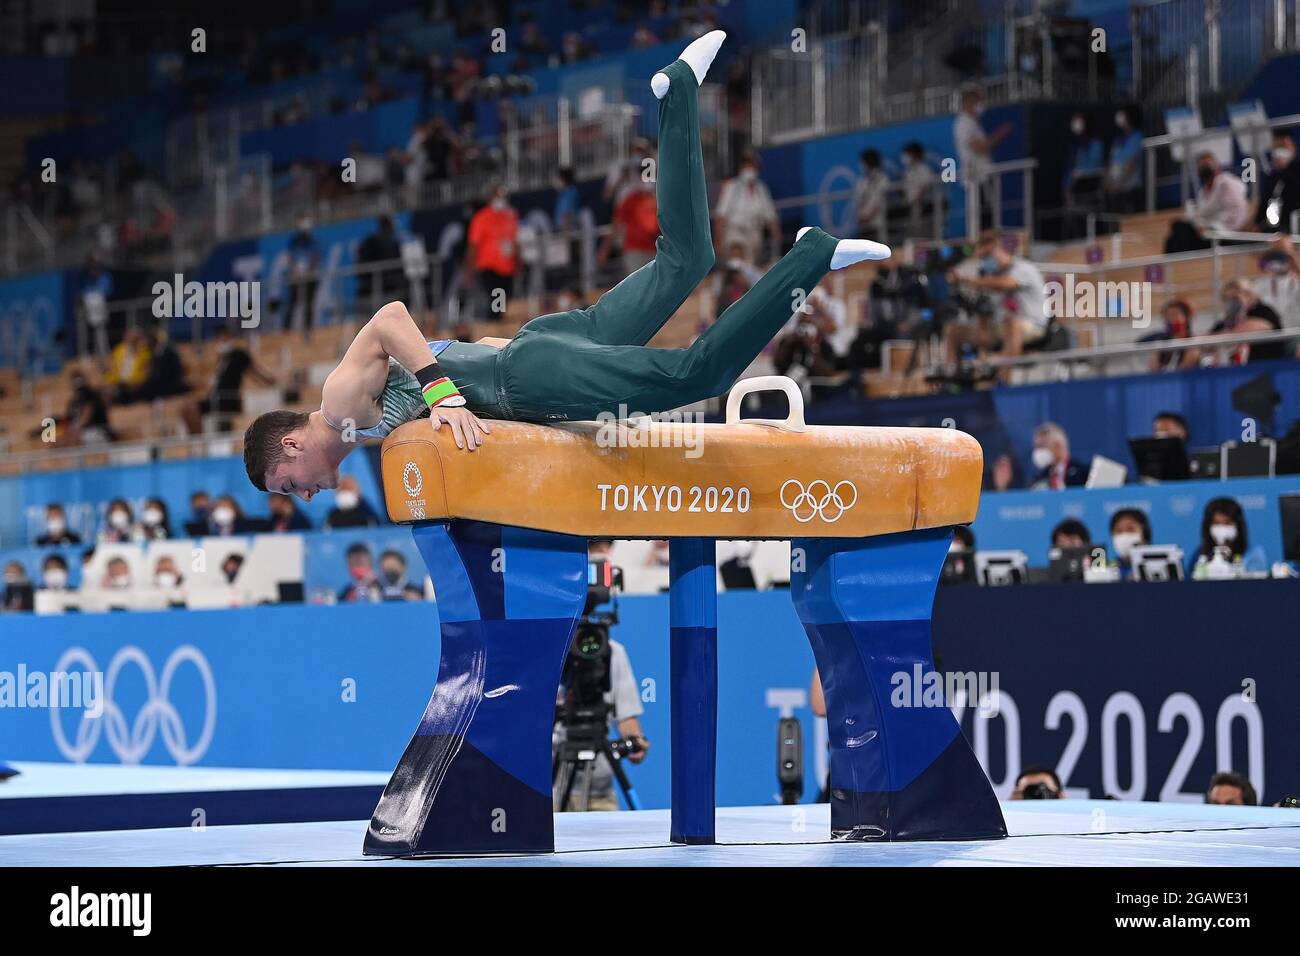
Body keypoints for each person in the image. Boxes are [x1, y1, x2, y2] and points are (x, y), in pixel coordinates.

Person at [241, 33, 889, 500]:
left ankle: (812, 253)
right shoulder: (368, 431)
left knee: (704, 371)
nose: (299, 496)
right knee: (686, 259)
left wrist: (443, 396)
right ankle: (678, 92)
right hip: (537, 349)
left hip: (533, 376)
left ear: (291, 448)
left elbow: (388, 318)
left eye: (285, 485)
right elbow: (461, 353)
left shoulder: (337, 406)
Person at [945, 230, 1048, 370]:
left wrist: (965, 279)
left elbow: (1003, 284)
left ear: (1001, 251)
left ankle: (1004, 381)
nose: (985, 261)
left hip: (1032, 326)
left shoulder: (1024, 268)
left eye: (988, 255)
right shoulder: (988, 275)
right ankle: (955, 378)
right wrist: (956, 282)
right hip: (998, 328)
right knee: (954, 331)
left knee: (1012, 323)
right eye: (983, 257)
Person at [182, 325, 276, 434]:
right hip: (215, 398)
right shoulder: (221, 359)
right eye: (218, 339)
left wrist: (270, 379)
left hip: (228, 399)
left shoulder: (239, 354)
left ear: (229, 337)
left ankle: (198, 441)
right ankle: (197, 439)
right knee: (187, 408)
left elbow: (256, 372)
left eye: (222, 338)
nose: (219, 342)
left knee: (191, 408)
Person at [1164, 152, 1251, 253]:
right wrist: (1200, 225)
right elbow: (1201, 215)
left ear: (1217, 167)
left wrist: (1212, 228)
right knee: (1175, 231)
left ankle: (1177, 265)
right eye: (1202, 166)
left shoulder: (1227, 185)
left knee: (1181, 230)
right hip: (1207, 233)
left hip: (1224, 234)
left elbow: (1238, 213)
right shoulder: (1203, 192)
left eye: (1208, 165)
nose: (1205, 169)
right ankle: (1170, 265)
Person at [953, 85, 1012, 230]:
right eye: (978, 102)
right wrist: (1001, 134)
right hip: (976, 178)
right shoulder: (963, 123)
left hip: (983, 176)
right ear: (969, 102)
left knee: (988, 216)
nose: (981, 105)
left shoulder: (973, 122)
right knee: (980, 218)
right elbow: (979, 148)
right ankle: (981, 246)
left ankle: (989, 243)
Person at [713, 150, 780, 264]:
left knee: (751, 270)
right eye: (747, 166)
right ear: (741, 168)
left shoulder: (762, 189)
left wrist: (777, 240)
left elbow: (771, 217)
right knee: (737, 266)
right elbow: (720, 215)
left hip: (754, 235)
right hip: (735, 234)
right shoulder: (731, 186)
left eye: (752, 166)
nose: (749, 170)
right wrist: (718, 242)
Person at [465, 183, 518, 321]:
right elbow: (473, 246)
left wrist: (519, 262)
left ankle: (496, 320)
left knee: (504, 299)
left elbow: (515, 241)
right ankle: (494, 323)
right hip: (489, 267)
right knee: (496, 297)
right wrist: (469, 270)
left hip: (507, 268)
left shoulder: (510, 216)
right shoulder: (481, 218)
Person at [1210, 278, 1288, 363]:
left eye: (1235, 297)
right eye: (1226, 299)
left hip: (1266, 365)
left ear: (1249, 295)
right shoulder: (1225, 321)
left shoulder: (1263, 310)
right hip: (1234, 369)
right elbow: (1207, 340)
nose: (1231, 302)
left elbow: (1252, 328)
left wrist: (1222, 337)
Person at [1189, 496, 1268, 574]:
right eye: (1216, 523)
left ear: (1238, 525)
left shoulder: (1253, 554)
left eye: (1227, 523)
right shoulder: (1200, 554)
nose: (1221, 529)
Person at [599, 176, 658, 276]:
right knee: (638, 286)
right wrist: (605, 249)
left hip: (655, 250)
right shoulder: (631, 199)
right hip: (635, 251)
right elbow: (617, 224)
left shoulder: (658, 200)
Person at [1254, 129, 1300, 233]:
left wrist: (1285, 169)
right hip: (1272, 225)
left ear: (1293, 148)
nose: (1280, 152)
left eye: (1283, 147)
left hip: (1292, 224)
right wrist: (1256, 223)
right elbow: (1265, 202)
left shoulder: (1296, 172)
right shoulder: (1272, 177)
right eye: (1276, 148)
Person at [1104, 105, 1144, 213]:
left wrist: (1120, 183)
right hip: (1114, 189)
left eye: (1123, 114)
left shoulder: (1137, 137)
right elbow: (1111, 162)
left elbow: (1132, 163)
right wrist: (1108, 182)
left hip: (1130, 189)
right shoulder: (1118, 140)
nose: (1120, 117)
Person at [1143, 299, 1200, 371]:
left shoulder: (1193, 342)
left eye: (1174, 314)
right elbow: (1153, 368)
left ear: (1186, 317)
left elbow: (1184, 368)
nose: (1170, 319)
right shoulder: (1161, 341)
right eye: (1167, 316)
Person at [1029, 422, 1086, 489]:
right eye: (1036, 447)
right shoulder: (1039, 478)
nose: (1038, 452)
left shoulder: (1083, 473)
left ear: (1057, 446)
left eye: (1042, 446)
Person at [853, 148, 890, 242]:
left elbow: (880, 200)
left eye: (863, 162)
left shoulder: (882, 178)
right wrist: (861, 216)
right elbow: (859, 200)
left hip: (877, 220)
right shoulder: (862, 181)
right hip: (863, 222)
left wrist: (869, 216)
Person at [1110, 508, 1152, 579]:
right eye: (1119, 531)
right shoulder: (1109, 569)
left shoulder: (1162, 565)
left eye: (1130, 529)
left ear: (1144, 533)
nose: (1124, 535)